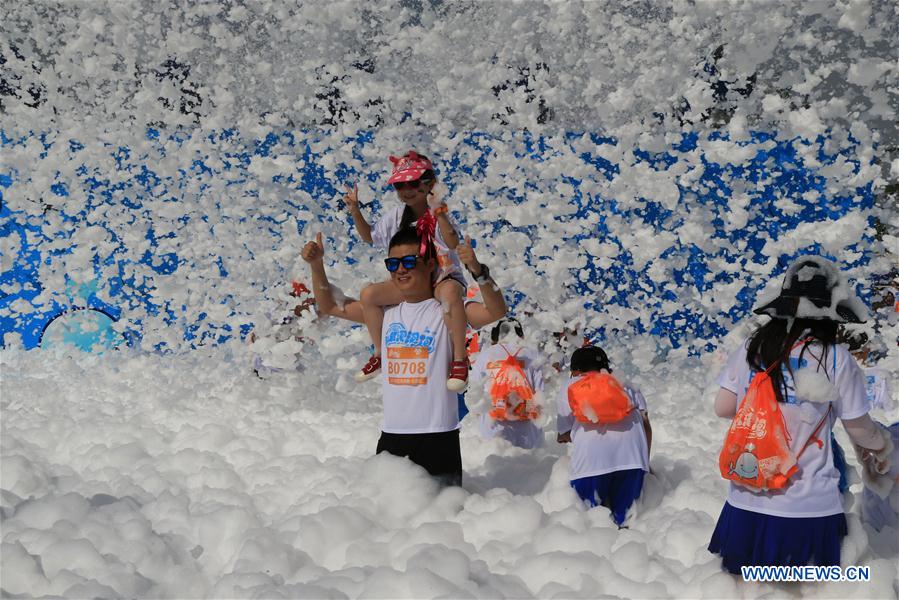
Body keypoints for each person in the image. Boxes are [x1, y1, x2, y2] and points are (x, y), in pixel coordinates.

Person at [708, 256, 892, 573]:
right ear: (831, 313)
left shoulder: (753, 347)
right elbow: (859, 429)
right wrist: (883, 445)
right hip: (809, 505)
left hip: (744, 502)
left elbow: (723, 407)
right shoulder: (836, 359)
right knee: (810, 583)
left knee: (746, 584)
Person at [344, 151, 470, 390]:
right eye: (400, 185)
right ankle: (380, 354)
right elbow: (370, 237)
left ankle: (460, 361)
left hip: (442, 277)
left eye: (413, 183)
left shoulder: (440, 211)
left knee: (452, 294)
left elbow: (453, 243)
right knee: (369, 295)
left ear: (429, 183)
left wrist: (439, 213)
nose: (406, 190)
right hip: (411, 281)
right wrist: (354, 210)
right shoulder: (397, 216)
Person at [557, 346, 652, 527]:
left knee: (588, 524)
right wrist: (645, 461)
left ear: (575, 371)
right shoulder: (625, 383)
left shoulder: (570, 386)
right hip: (632, 460)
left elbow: (564, 434)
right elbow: (646, 424)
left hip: (591, 464)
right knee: (627, 523)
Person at [469, 317, 547, 449]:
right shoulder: (532, 354)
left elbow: (475, 394)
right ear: (521, 335)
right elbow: (540, 391)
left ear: (494, 337)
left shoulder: (484, 356)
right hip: (528, 428)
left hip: (493, 427)